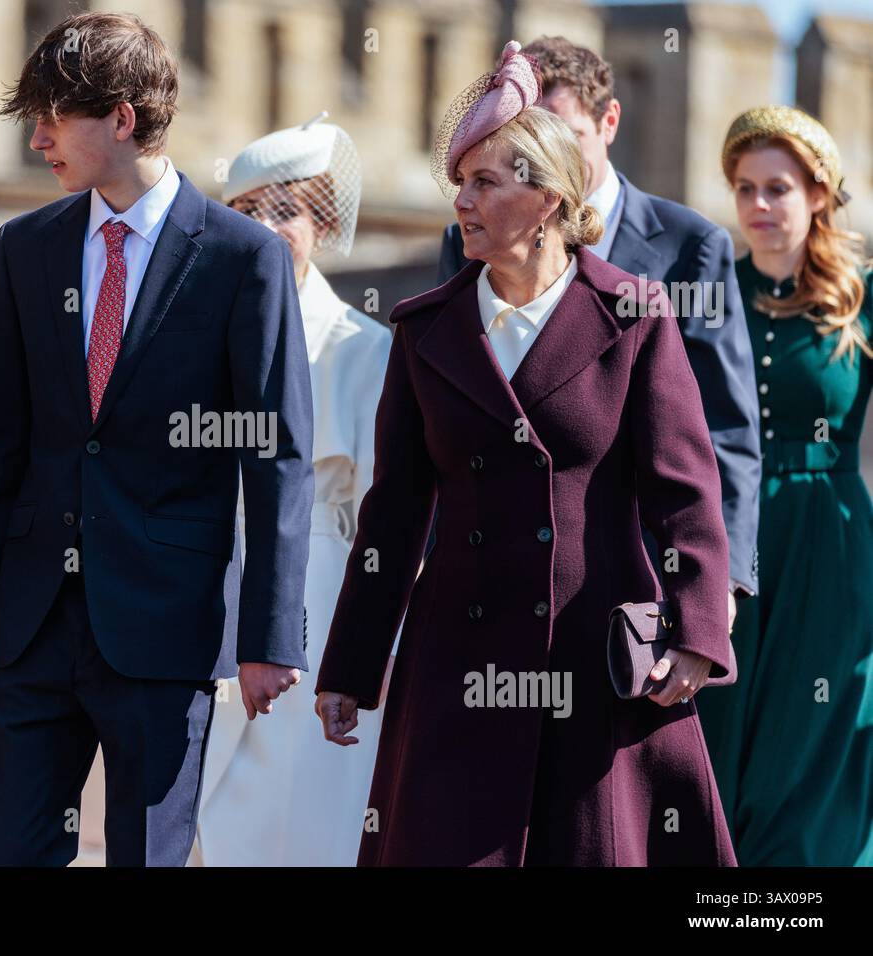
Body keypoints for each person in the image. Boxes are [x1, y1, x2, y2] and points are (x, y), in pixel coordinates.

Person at [314, 41, 736, 866]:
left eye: (485, 183)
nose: (460, 201)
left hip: (594, 664)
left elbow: (685, 491)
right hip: (455, 665)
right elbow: (393, 514)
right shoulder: (424, 330)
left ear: (546, 198)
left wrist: (694, 631)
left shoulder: (637, 316)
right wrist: (352, 665)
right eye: (459, 182)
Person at [0, 12, 314, 867]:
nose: (37, 138)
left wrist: (269, 636)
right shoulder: (26, 248)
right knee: (5, 852)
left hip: (166, 625)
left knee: (146, 857)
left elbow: (277, 456)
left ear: (121, 117)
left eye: (54, 116)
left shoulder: (243, 258)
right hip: (33, 623)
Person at [437, 36, 760, 619]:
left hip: (637, 565)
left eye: (565, 136)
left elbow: (725, 425)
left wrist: (721, 580)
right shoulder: (464, 242)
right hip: (494, 560)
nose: (546, 157)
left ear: (608, 121)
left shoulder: (692, 246)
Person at [193, 115, 392, 866]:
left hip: (316, 599)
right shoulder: (194, 334)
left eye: (286, 211)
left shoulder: (366, 349)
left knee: (299, 822)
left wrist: (370, 651)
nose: (267, 230)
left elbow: (383, 512)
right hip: (207, 585)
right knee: (207, 813)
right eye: (247, 213)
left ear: (325, 222)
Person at [696, 106, 873, 866]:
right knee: (722, 722)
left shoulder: (860, 300)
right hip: (724, 537)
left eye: (778, 188)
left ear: (819, 194)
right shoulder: (706, 294)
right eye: (744, 189)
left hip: (831, 542)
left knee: (813, 731)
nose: (759, 206)